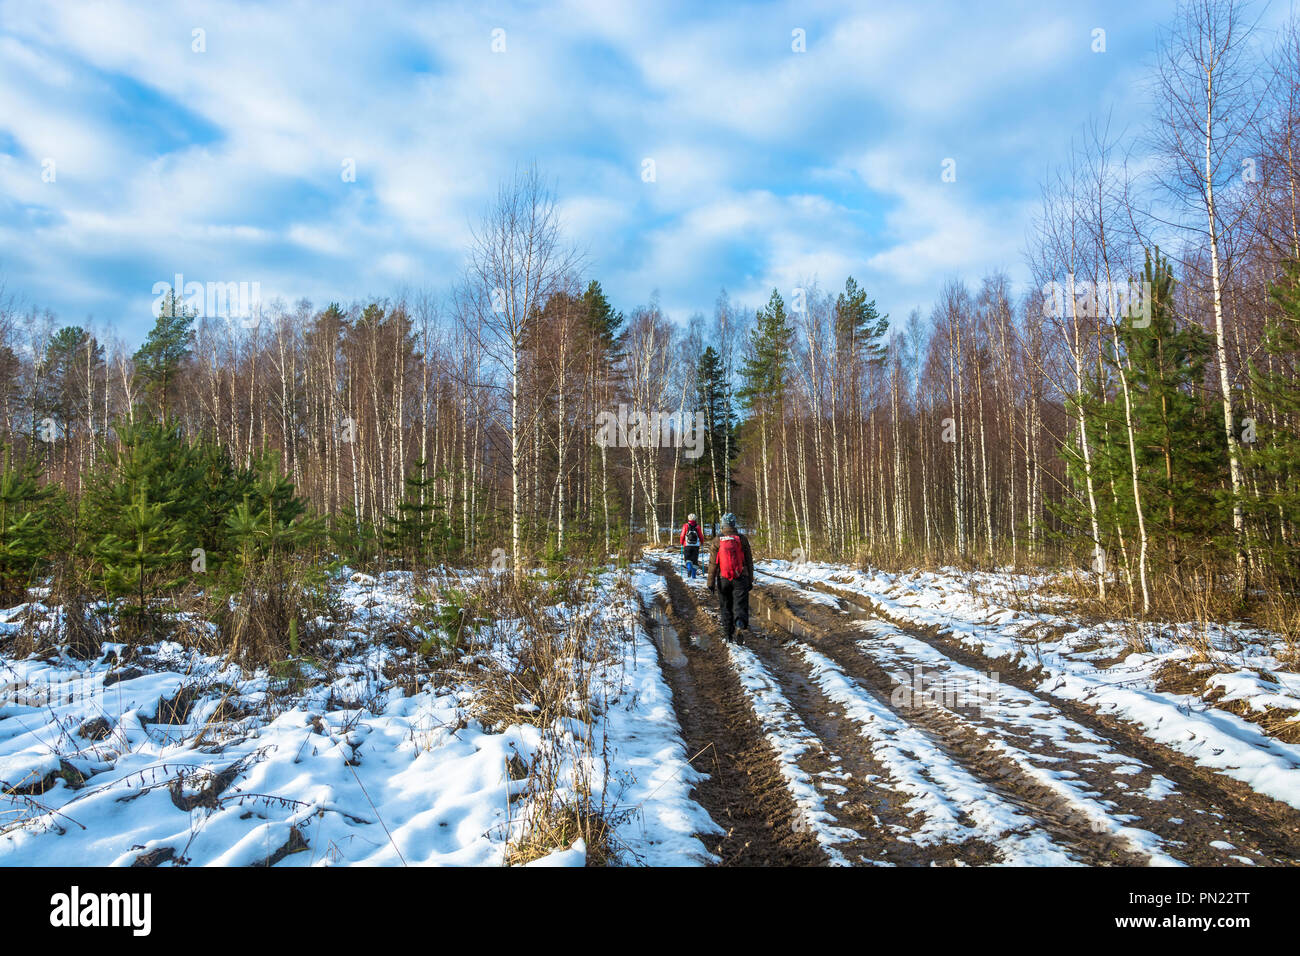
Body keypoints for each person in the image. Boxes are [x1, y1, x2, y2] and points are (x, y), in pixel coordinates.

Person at [707, 513, 753, 643]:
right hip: (741, 577)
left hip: (723, 578)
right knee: (740, 605)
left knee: (725, 605)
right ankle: (739, 623)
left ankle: (728, 634)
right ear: (734, 524)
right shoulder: (742, 539)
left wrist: (710, 583)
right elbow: (749, 561)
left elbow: (713, 564)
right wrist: (750, 580)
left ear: (723, 525)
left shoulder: (717, 540)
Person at [680, 513, 705, 579]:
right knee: (694, 560)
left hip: (687, 545)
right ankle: (693, 576)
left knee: (687, 558)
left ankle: (689, 568)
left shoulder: (685, 525)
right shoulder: (698, 526)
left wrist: (681, 542)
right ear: (695, 519)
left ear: (688, 518)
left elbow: (682, 535)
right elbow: (701, 536)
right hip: (696, 545)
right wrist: (702, 542)